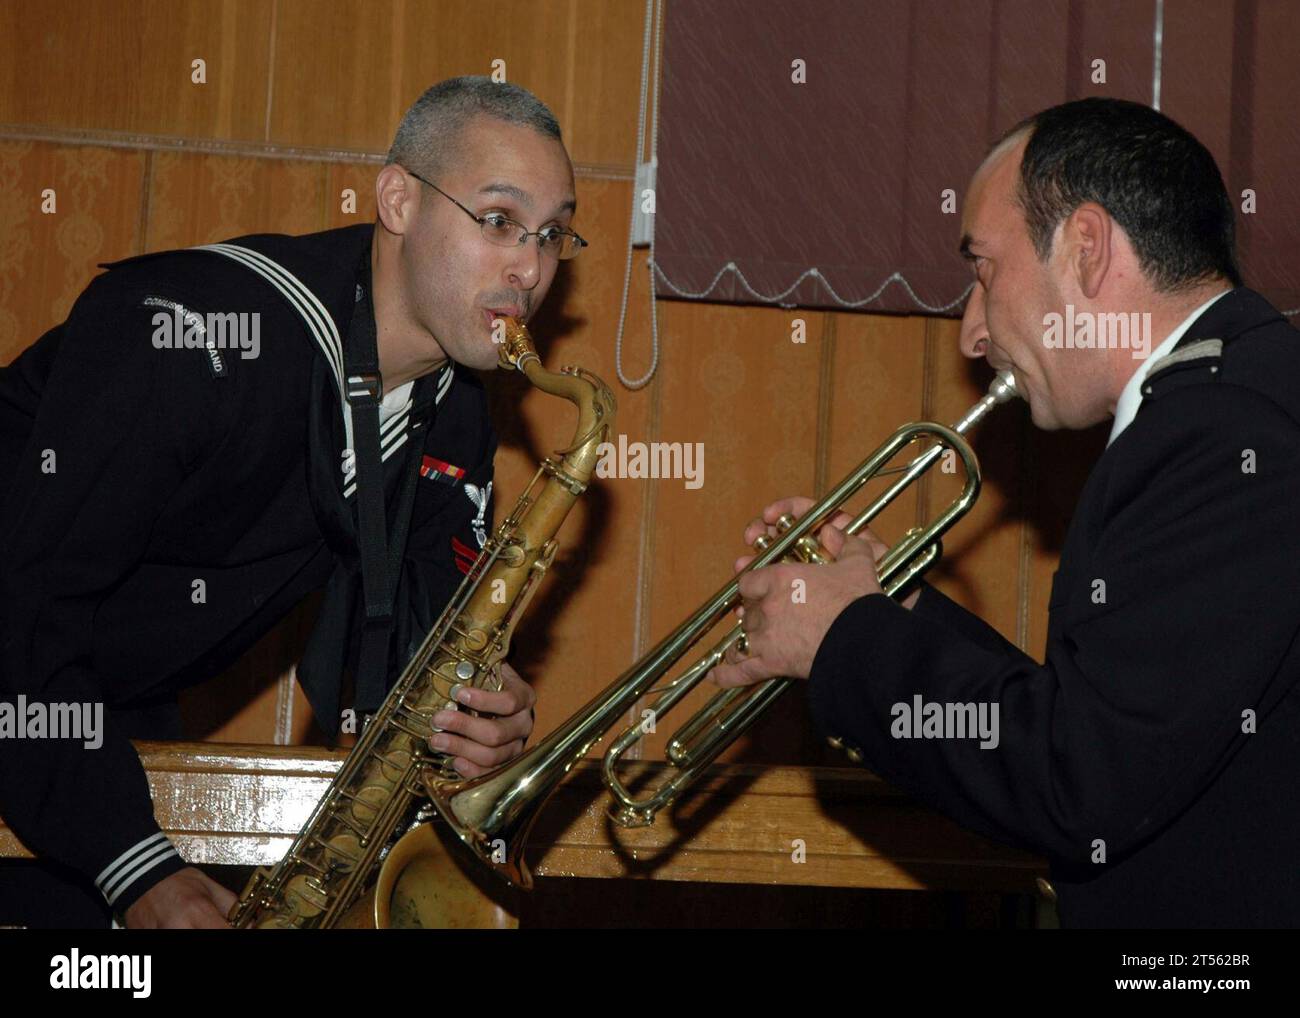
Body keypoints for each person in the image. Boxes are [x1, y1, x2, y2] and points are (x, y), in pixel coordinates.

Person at [0, 76, 587, 928]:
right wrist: (134, 867)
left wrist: (482, 713)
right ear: (397, 199)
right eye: (498, 221)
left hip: (82, 708)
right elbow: (25, 604)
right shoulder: (188, 333)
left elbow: (422, 657)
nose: (530, 269)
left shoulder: (454, 411)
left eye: (552, 235)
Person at [712, 97, 1300, 928]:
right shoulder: (1229, 399)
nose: (971, 333)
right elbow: (1098, 722)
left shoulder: (1223, 429)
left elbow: (1080, 782)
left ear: (1086, 249)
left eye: (983, 269)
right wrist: (892, 611)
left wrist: (846, 640)